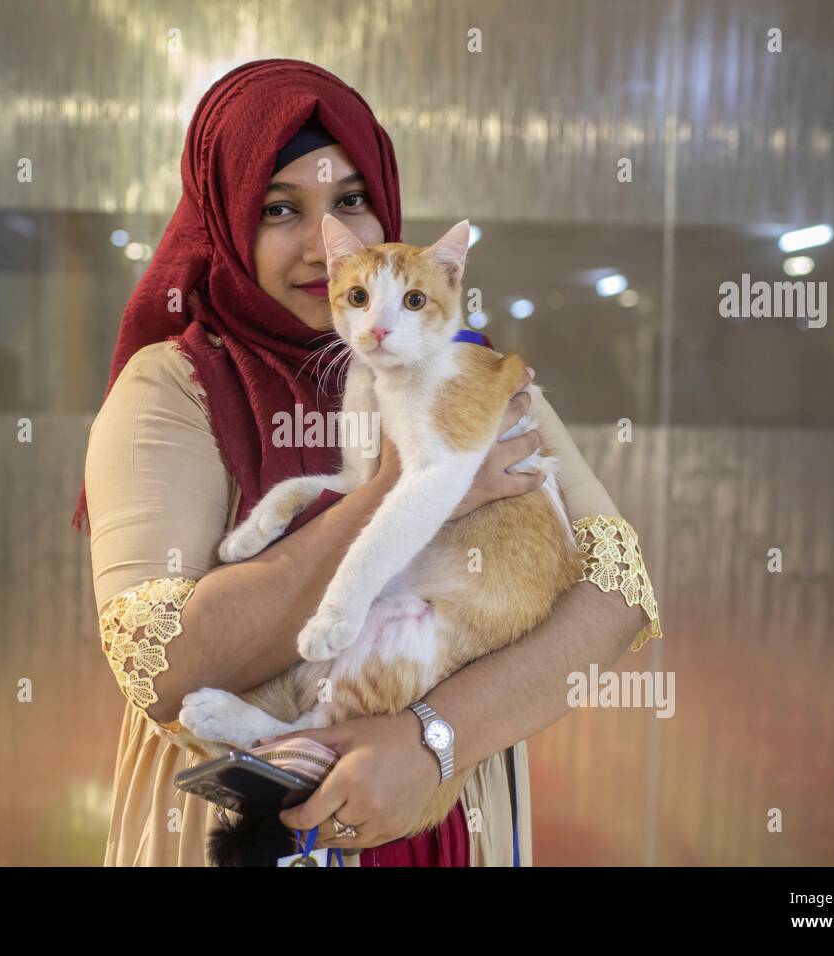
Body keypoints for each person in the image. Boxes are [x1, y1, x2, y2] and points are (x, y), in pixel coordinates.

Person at [76, 58, 661, 867]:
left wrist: (432, 742)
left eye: (350, 200)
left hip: (436, 808)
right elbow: (164, 665)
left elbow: (617, 594)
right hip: (242, 818)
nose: (324, 246)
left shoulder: (470, 363)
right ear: (225, 217)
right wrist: (403, 490)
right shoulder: (175, 384)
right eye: (279, 208)